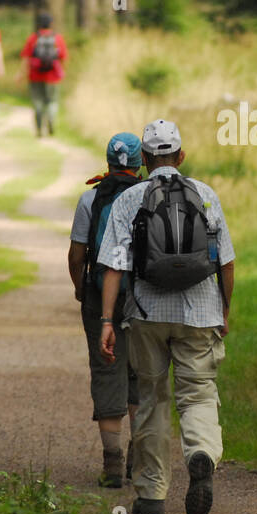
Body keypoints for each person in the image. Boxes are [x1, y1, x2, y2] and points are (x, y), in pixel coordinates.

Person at [97, 120, 235, 514]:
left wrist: (107, 321)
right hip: (200, 313)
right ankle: (202, 454)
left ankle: (152, 493)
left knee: (152, 400)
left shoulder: (130, 199)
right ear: (181, 155)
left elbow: (114, 268)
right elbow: (226, 262)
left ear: (144, 159)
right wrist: (223, 311)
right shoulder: (205, 195)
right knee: (198, 393)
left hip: (147, 314)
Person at [68, 133, 144, 488]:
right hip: (145, 296)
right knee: (141, 373)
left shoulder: (90, 198)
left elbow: (77, 254)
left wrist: (82, 290)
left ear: (109, 162)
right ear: (138, 162)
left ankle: (112, 465)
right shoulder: (149, 196)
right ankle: (139, 459)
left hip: (101, 295)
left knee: (107, 368)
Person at [18, 12, 67, 138]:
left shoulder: (33, 38)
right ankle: (51, 119)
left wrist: (21, 74)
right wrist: (61, 72)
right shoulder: (58, 38)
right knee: (52, 101)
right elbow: (63, 58)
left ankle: (39, 129)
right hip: (53, 77)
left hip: (35, 76)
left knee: (38, 103)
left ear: (39, 24)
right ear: (51, 24)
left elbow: (26, 58)